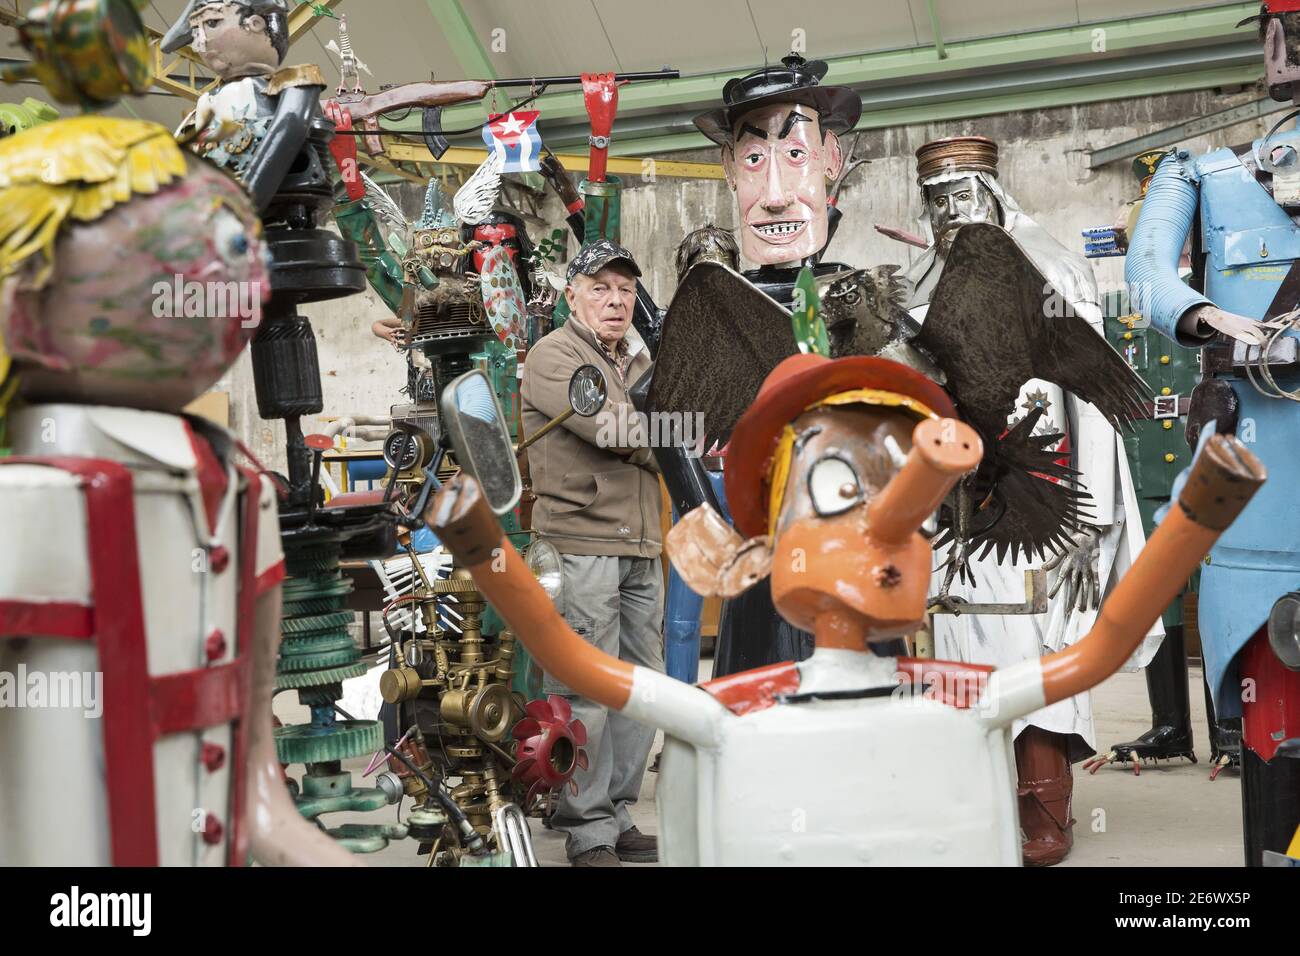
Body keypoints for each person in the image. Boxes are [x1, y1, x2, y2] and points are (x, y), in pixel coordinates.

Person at [904, 136, 1157, 866]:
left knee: (1032, 652)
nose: (950, 211)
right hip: (948, 510)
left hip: (1042, 503)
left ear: (992, 194)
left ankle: (1044, 803)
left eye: (963, 193)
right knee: (954, 653)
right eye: (936, 199)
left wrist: (1093, 523)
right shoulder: (917, 288)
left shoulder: (1056, 274)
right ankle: (974, 805)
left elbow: (1096, 413)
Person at [521, 238, 663, 867]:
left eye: (625, 290)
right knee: (584, 689)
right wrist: (685, 436)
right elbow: (613, 429)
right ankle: (585, 828)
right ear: (572, 294)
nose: (615, 300)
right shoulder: (553, 356)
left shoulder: (634, 364)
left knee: (642, 686)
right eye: (600, 288)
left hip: (639, 542)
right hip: (580, 543)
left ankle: (619, 809)